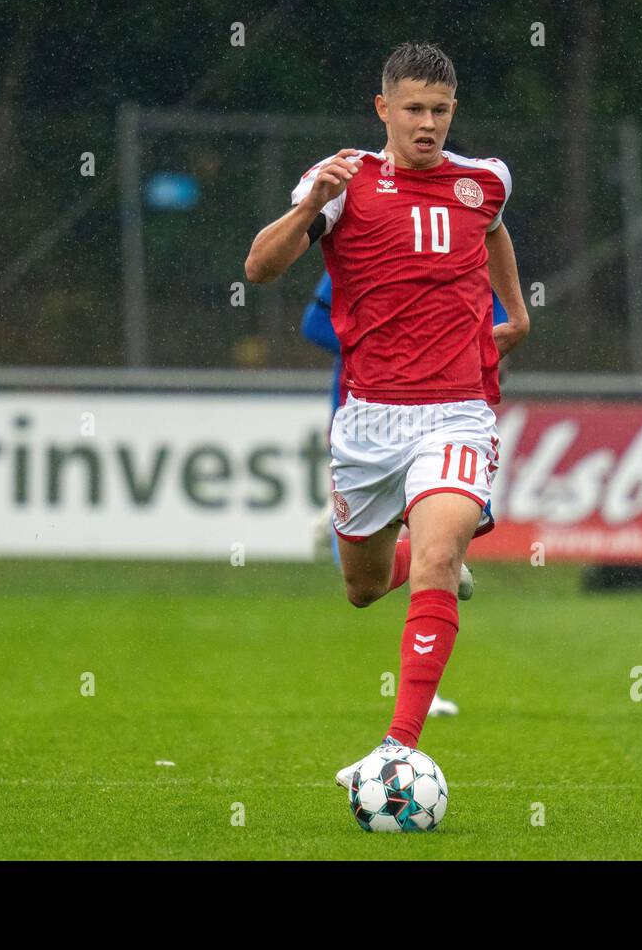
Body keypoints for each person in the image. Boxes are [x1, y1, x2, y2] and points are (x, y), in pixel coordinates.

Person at [245, 42, 530, 787]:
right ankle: (442, 565)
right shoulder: (343, 182)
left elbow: (494, 230)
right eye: (412, 109)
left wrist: (518, 312)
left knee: (435, 553)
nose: (426, 123)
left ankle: (398, 746)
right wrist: (311, 203)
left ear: (453, 112)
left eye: (438, 110)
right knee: (364, 587)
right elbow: (260, 267)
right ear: (383, 110)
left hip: (458, 413)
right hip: (368, 420)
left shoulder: (484, 181)